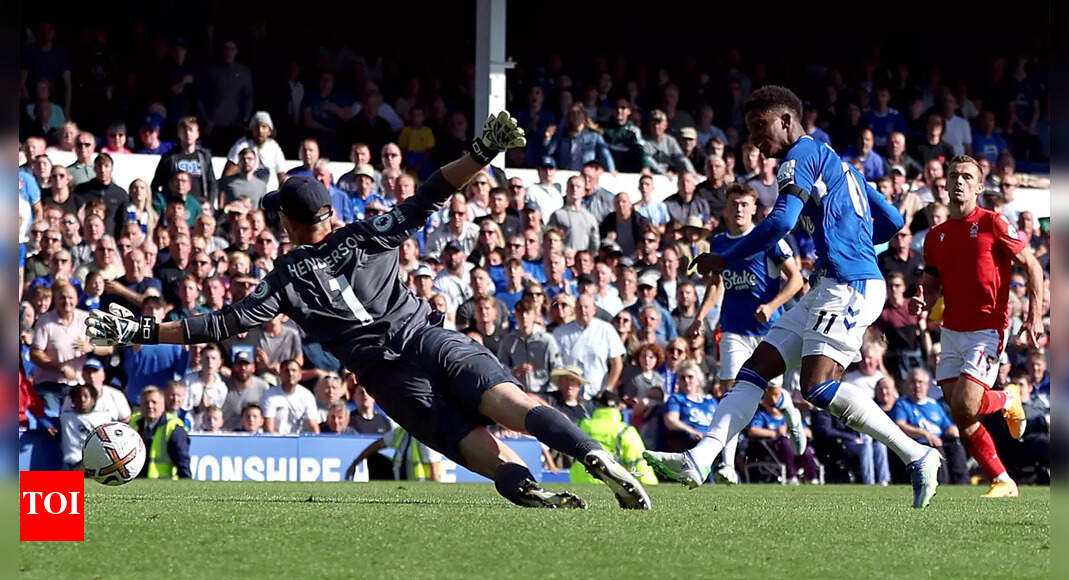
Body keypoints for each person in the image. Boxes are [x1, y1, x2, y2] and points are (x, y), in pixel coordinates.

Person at [86, 112, 650, 509]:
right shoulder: (366, 234)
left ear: (287, 225)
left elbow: (222, 324)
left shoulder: (286, 277)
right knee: (513, 403)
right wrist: (479, 154)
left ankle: (520, 482)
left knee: (478, 448)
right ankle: (593, 453)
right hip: (429, 339)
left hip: (387, 375)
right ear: (328, 214)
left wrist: (141, 328)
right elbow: (430, 192)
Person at [643, 85, 942, 509]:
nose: (755, 140)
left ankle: (917, 454)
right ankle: (701, 458)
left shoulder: (799, 157)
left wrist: (724, 256)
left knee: (817, 387)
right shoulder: (840, 164)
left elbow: (781, 221)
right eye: (750, 131)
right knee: (754, 370)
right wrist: (851, 239)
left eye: (760, 127)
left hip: (848, 284)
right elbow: (892, 219)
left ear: (786, 119)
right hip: (830, 283)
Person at [910, 154, 1043, 498]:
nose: (959, 181)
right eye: (954, 175)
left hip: (988, 328)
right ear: (944, 183)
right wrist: (922, 296)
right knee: (961, 414)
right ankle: (1002, 480)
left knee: (968, 404)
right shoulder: (935, 236)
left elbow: (1033, 267)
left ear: (980, 186)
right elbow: (932, 278)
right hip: (952, 330)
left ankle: (1008, 397)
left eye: (968, 177)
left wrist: (1033, 313)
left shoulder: (993, 223)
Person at [685, 183, 806, 482]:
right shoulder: (719, 243)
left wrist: (773, 303)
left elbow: (797, 280)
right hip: (734, 329)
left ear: (754, 208)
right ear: (725, 209)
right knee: (731, 393)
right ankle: (726, 465)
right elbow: (716, 284)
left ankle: (790, 412)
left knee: (771, 394)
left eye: (744, 204)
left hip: (769, 329)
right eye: (734, 204)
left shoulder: (770, 238)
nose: (739, 209)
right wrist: (700, 316)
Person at [890, 368, 970, 485]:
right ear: (907, 385)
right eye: (913, 382)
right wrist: (926, 434)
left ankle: (963, 485)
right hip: (920, 443)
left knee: (956, 444)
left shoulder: (933, 404)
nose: (917, 386)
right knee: (935, 449)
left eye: (920, 382)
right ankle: (942, 485)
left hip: (940, 441)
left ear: (927, 385)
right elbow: (900, 425)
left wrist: (952, 430)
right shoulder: (902, 404)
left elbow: (946, 426)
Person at [570, 390, 658, 485]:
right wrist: (650, 483)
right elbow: (638, 462)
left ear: (597, 406)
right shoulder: (625, 430)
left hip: (579, 483)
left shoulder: (580, 425)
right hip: (611, 486)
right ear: (618, 406)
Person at [496, 297, 563, 394]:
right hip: (519, 393)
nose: (524, 316)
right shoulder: (508, 341)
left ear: (535, 315)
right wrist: (514, 372)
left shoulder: (546, 340)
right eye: (520, 313)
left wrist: (549, 391)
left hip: (544, 393)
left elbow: (557, 367)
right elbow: (501, 367)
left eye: (527, 313)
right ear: (515, 316)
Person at [150, 116, 218, 206]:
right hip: (175, 206)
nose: (187, 134)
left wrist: (210, 204)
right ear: (179, 133)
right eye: (184, 131)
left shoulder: (204, 156)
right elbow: (156, 184)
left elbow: (212, 184)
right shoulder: (169, 157)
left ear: (197, 134)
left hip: (199, 205)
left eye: (191, 130)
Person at [129, 386, 191, 479]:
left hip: (164, 483)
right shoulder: (133, 422)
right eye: (146, 403)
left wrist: (186, 484)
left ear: (163, 405)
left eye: (154, 402)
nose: (150, 406)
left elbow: (182, 461)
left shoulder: (174, 427)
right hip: (135, 481)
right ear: (140, 405)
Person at [345, 424, 443, 482]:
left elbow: (434, 470)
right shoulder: (402, 432)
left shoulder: (426, 437)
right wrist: (355, 463)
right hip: (400, 480)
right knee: (374, 458)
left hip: (420, 486)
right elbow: (378, 444)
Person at [58, 383, 113, 470]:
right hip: (72, 464)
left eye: (86, 396)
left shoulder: (105, 418)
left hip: (98, 463)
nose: (82, 400)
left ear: (93, 400)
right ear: (73, 400)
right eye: (78, 397)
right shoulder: (65, 418)